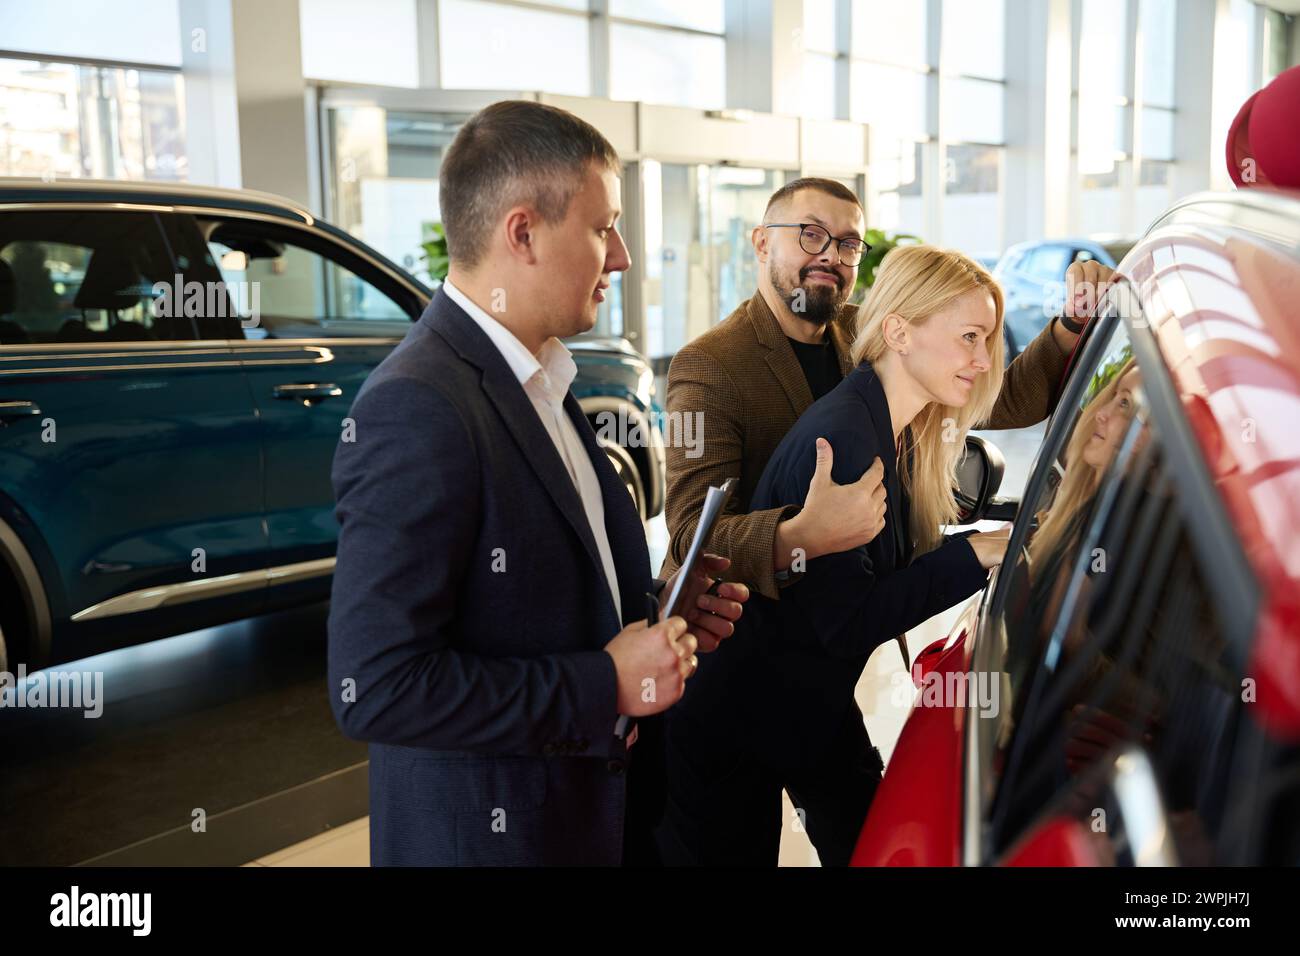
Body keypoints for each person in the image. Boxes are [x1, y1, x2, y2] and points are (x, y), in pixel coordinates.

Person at [327, 100, 747, 866]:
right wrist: (603, 684)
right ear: (522, 232)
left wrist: (661, 611)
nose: (620, 256)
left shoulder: (543, 377)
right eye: (602, 226)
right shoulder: (417, 405)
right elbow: (376, 685)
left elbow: (537, 599)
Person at [658, 245, 1014, 866]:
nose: (982, 360)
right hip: (738, 722)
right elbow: (846, 621)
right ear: (900, 331)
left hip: (806, 706)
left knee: (874, 842)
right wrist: (977, 556)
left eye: (989, 339)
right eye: (969, 337)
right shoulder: (848, 438)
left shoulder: (895, 425)